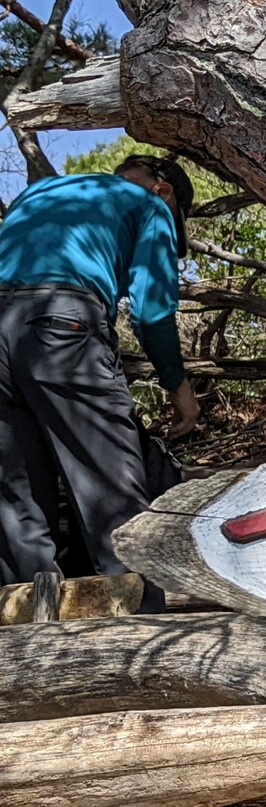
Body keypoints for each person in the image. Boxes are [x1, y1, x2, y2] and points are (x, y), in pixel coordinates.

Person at [0, 154, 198, 599]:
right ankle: (139, 634)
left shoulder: (38, 192)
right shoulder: (149, 205)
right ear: (164, 191)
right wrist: (180, 392)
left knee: (15, 492)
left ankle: (29, 632)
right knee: (108, 480)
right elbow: (152, 313)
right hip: (60, 324)